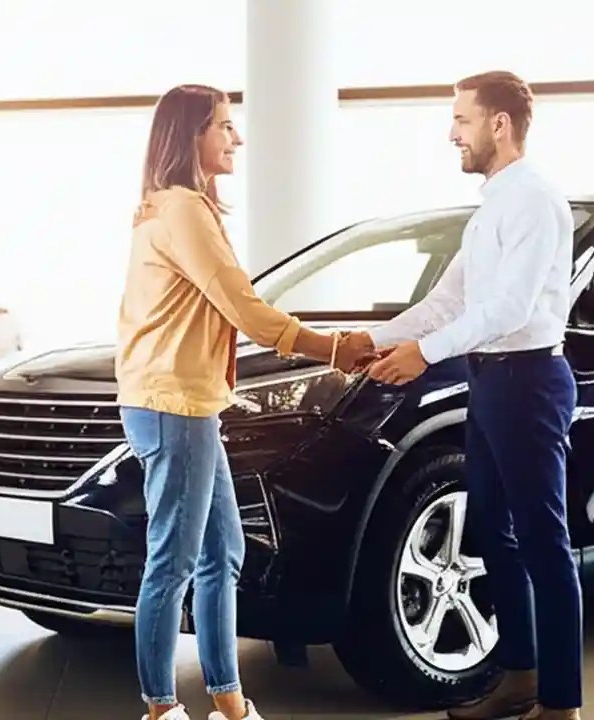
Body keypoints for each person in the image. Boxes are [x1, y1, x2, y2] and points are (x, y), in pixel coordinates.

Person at [115, 84, 373, 720]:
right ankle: (160, 710)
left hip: (185, 403)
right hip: (175, 406)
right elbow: (246, 309)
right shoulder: (182, 210)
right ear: (191, 136)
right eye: (224, 126)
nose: (237, 138)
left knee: (221, 552)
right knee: (172, 562)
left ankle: (228, 701)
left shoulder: (171, 208)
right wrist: (334, 347)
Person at [342, 71, 583, 720]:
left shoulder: (535, 201)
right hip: (490, 381)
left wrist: (426, 352)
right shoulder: (494, 208)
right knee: (495, 536)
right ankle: (519, 678)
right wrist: (367, 338)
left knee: (543, 545)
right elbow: (447, 302)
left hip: (529, 382)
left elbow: (510, 306)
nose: (453, 133)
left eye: (462, 120)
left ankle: (562, 707)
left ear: (499, 124)